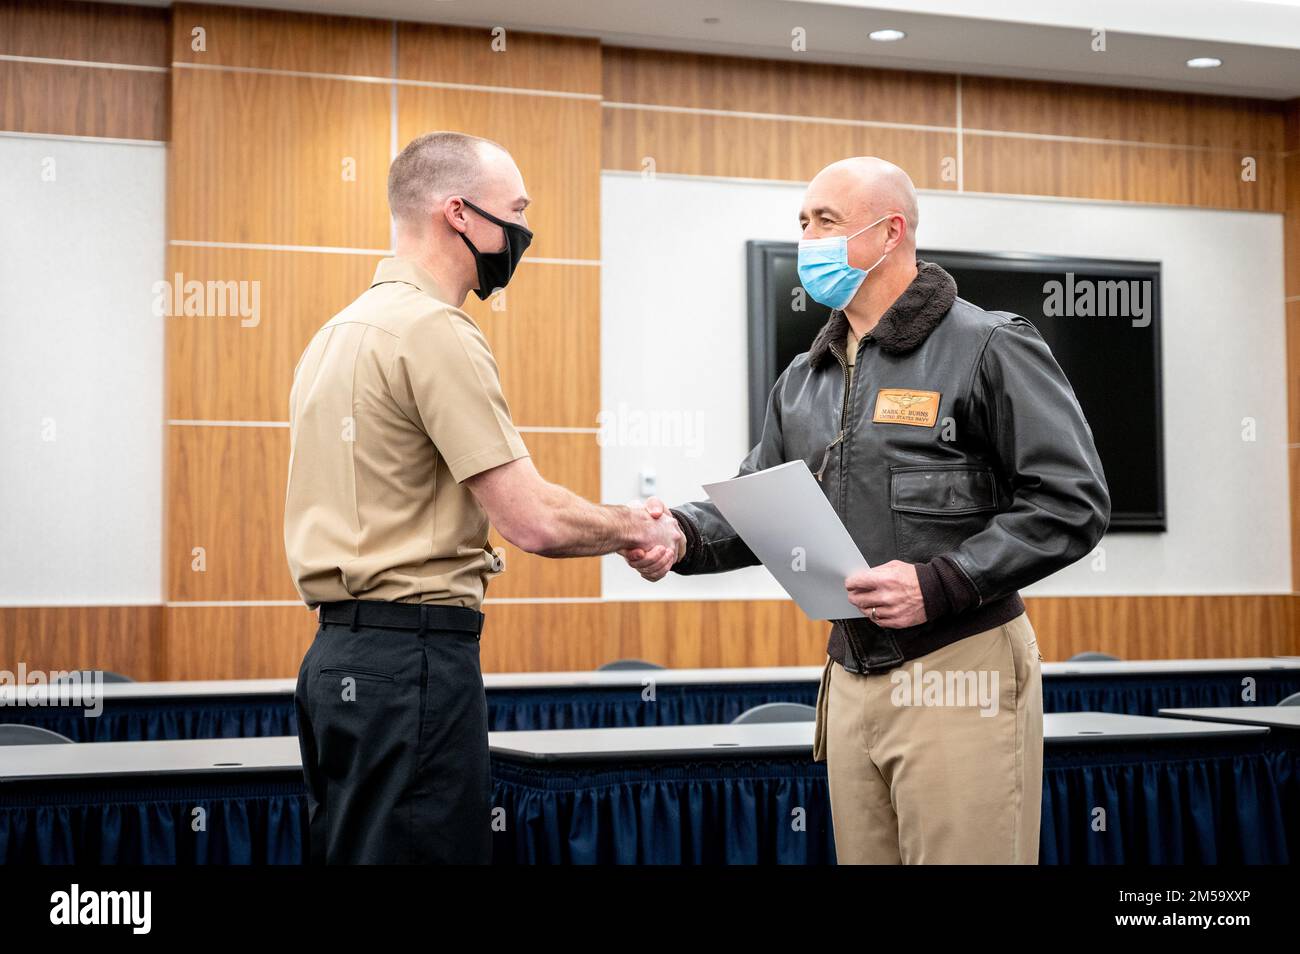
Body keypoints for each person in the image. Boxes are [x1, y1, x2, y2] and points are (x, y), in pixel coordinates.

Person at [623, 156, 1109, 864]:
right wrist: (682, 534)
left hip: (958, 668)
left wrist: (940, 582)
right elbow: (759, 499)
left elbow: (1072, 502)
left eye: (827, 221)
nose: (807, 240)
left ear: (891, 233)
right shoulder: (804, 378)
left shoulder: (988, 345)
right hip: (848, 680)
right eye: (802, 223)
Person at [284, 131, 683, 864]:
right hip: (414, 662)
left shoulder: (335, 335)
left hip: (335, 662)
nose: (524, 232)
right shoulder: (435, 331)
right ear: (460, 214)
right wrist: (635, 525)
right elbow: (530, 519)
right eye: (517, 211)